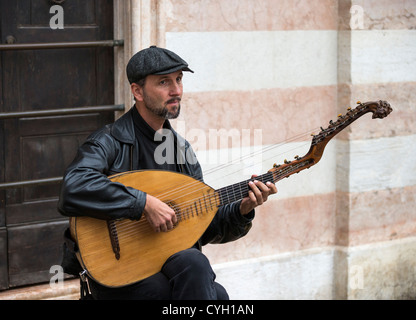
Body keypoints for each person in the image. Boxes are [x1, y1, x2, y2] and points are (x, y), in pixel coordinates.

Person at [58, 46, 277, 300]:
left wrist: (242, 210)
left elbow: (202, 227)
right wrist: (143, 203)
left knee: (205, 277)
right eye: (164, 82)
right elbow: (72, 188)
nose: (176, 91)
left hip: (164, 261)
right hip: (117, 270)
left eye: (179, 80)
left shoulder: (181, 151)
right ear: (137, 91)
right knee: (183, 290)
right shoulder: (109, 141)